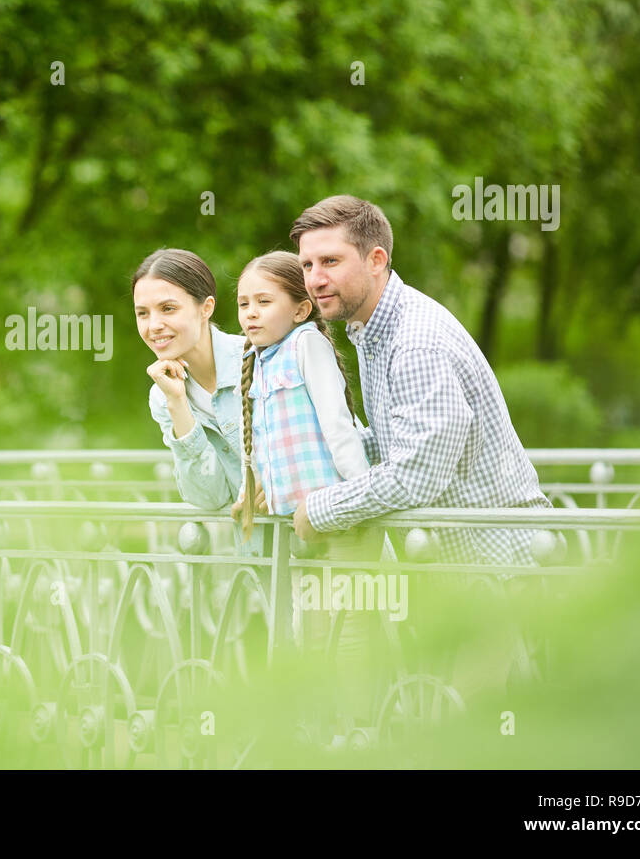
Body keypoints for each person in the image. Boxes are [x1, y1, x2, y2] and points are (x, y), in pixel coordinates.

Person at [288, 194, 552, 702]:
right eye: (307, 264)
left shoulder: (415, 342)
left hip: (489, 569)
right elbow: (391, 443)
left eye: (330, 261)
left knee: (462, 733)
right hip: (450, 569)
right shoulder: (372, 329)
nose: (315, 278)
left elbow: (417, 473)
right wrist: (294, 476)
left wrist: (321, 508)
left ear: (376, 259)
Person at [235, 249, 382, 738]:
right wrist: (254, 486)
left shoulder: (305, 347)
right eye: (243, 304)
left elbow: (338, 428)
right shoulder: (257, 360)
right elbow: (268, 443)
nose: (250, 313)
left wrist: (362, 499)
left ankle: (359, 728)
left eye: (263, 301)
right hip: (302, 524)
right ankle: (321, 731)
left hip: (339, 514)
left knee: (351, 629)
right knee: (311, 627)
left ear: (300, 310)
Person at [134, 248, 264, 547]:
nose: (153, 326)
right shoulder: (163, 394)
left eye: (168, 309)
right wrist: (178, 403)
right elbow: (209, 496)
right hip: (260, 562)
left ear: (206, 308)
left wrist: (283, 483)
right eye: (143, 313)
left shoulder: (260, 356)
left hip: (326, 547)